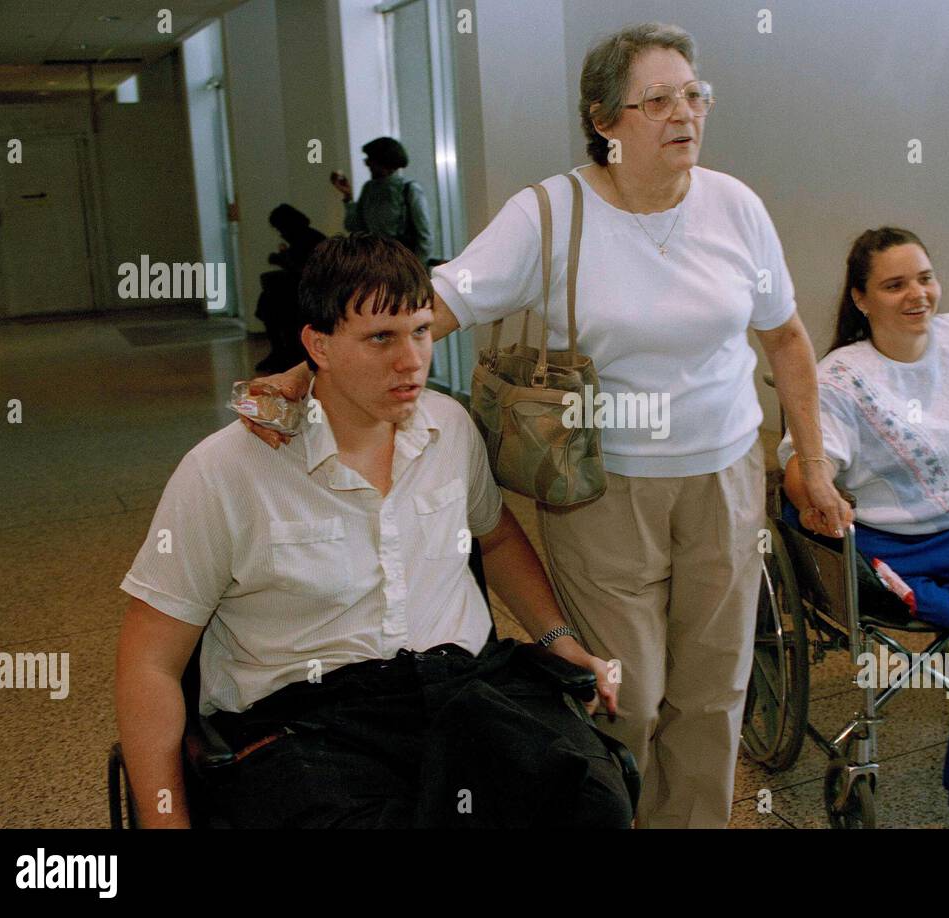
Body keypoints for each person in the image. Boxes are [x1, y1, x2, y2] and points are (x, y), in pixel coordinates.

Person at [241, 22, 845, 829]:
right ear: (604, 120)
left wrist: (812, 458)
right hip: (599, 484)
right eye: (657, 100)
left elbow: (787, 338)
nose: (684, 115)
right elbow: (440, 301)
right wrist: (307, 370)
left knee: (712, 696)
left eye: (693, 96)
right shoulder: (551, 214)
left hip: (726, 475)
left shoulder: (735, 207)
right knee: (624, 694)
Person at [115, 234, 626, 829]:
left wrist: (558, 637)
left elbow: (496, 537)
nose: (410, 360)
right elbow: (148, 663)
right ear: (318, 346)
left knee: (593, 801)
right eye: (381, 337)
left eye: (420, 331)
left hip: (459, 689)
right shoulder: (226, 470)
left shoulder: (449, 427)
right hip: (311, 718)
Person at [779, 227, 949, 819]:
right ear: (861, 299)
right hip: (896, 542)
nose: (917, 294)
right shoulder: (842, 378)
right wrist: (816, 496)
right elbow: (801, 467)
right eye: (894, 285)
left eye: (924, 278)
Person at [332, 137, 433, 266]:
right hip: (376, 263)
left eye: (370, 159)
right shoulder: (369, 188)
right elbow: (354, 227)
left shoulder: (409, 189)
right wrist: (348, 196)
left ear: (384, 161)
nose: (367, 164)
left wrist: (415, 267)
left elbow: (424, 236)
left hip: (401, 263)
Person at [254, 204, 324, 373]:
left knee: (272, 301)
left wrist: (281, 259)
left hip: (315, 291)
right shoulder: (303, 237)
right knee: (269, 300)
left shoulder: (308, 239)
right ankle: (279, 352)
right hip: (305, 289)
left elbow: (306, 270)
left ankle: (283, 352)